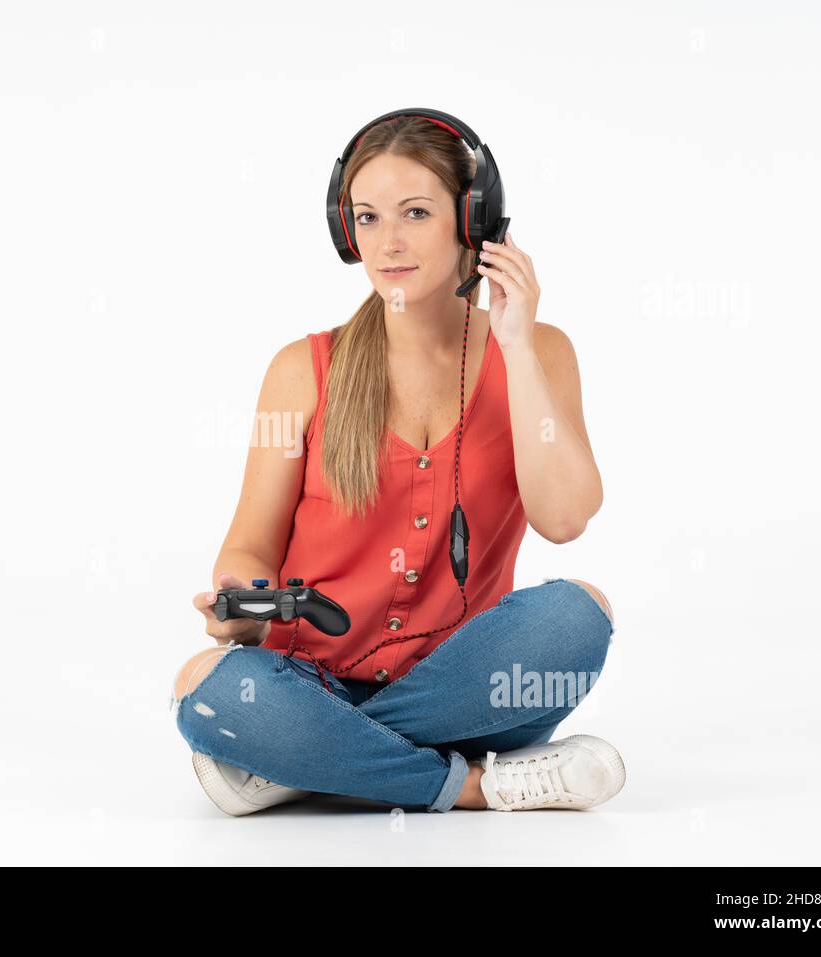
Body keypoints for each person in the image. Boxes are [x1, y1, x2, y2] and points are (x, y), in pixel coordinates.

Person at [171, 113, 623, 816]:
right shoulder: (300, 371)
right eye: (369, 217)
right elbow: (249, 544)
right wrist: (244, 605)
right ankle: (474, 785)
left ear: (474, 221)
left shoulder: (540, 353)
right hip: (313, 680)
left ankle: (307, 760)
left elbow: (565, 518)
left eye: (416, 212)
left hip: (461, 690)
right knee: (205, 683)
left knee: (578, 616)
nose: (389, 242)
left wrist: (517, 343)